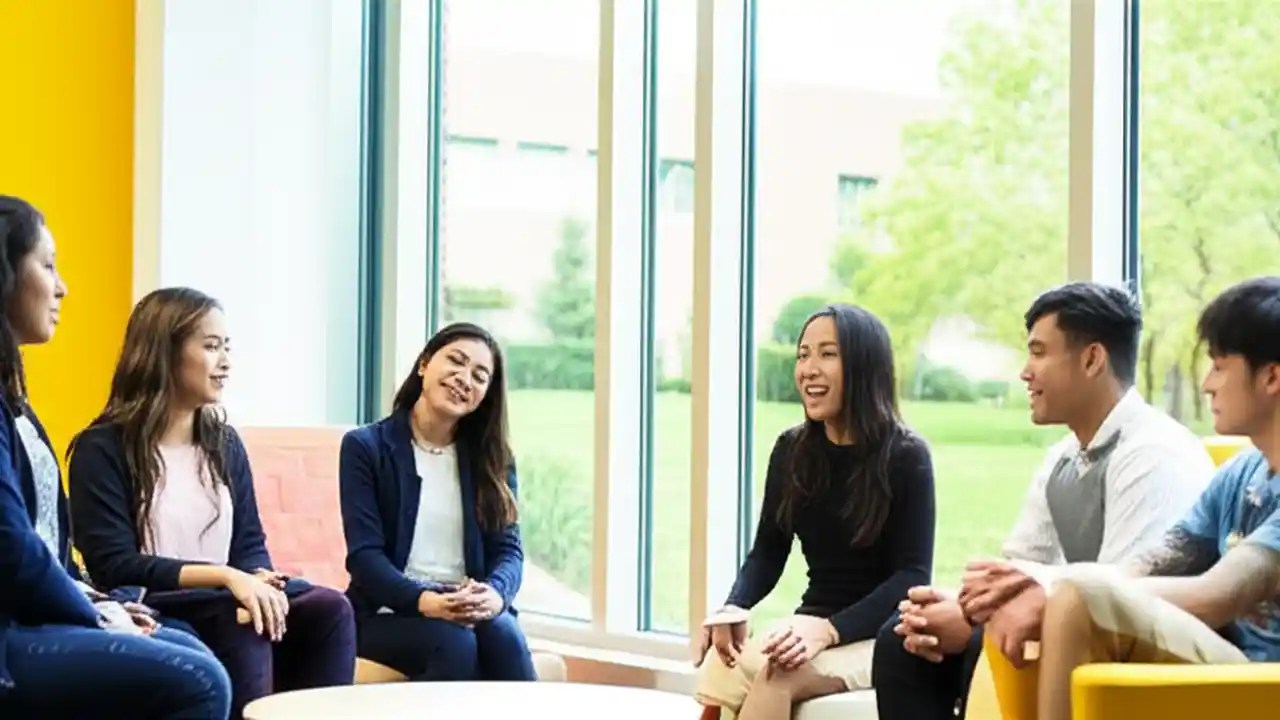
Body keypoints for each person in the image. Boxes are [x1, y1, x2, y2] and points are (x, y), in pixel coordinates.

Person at [873, 282, 1215, 720]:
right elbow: (1017, 564)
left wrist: (979, 616)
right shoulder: (1063, 458)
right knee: (905, 637)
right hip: (1072, 622)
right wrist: (964, 606)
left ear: (1092, 359)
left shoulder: (1155, 452)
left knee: (987, 636)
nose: (1025, 371)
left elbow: (1120, 593)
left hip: (1140, 643)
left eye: (1039, 352)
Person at [67, 286, 356, 720]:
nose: (225, 362)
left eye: (227, 347)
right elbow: (114, 564)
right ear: (165, 353)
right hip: (154, 600)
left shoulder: (224, 443)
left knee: (329, 609)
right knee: (242, 622)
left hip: (225, 594)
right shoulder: (101, 448)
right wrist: (225, 577)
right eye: (211, 346)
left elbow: (249, 542)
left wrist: (256, 575)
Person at [0, 196, 231, 719]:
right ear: (6, 274)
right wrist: (91, 611)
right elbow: (12, 547)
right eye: (48, 265)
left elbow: (51, 547)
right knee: (199, 679)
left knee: (190, 646)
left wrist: (102, 602)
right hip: (12, 632)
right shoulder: (99, 443)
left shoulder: (16, 404)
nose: (62, 287)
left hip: (39, 616)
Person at [1033, 276, 1280, 720]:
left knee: (1080, 595)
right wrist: (1048, 594)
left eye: (1220, 365)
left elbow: (1216, 596)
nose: (1206, 384)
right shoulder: (1244, 472)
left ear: (1272, 376)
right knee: (1077, 595)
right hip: (1230, 668)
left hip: (1265, 683)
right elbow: (1154, 561)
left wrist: (1070, 596)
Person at [693, 304, 936, 720]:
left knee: (778, 674)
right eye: (803, 354)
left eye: (827, 354)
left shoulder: (906, 456)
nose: (808, 368)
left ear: (863, 366)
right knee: (723, 665)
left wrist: (828, 630)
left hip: (877, 633)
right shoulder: (792, 451)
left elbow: (911, 577)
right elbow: (769, 551)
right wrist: (734, 606)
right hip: (813, 621)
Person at [339, 322, 535, 682]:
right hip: (387, 611)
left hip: (467, 605)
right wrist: (425, 601)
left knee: (504, 635)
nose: (464, 378)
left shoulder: (493, 459)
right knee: (454, 642)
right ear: (425, 364)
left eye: (479, 376)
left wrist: (495, 594)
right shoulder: (365, 447)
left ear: (486, 395)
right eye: (456, 361)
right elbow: (365, 558)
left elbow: (509, 551)